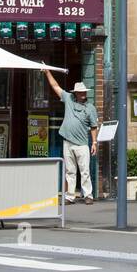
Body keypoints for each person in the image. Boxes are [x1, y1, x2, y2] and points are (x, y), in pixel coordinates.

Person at [42, 70, 98, 204]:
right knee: (70, 171)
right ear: (76, 93)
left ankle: (88, 195)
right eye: (81, 92)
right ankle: (70, 196)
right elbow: (55, 86)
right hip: (68, 142)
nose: (83, 94)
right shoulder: (68, 99)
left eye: (84, 92)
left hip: (82, 143)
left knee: (84, 171)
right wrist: (47, 72)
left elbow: (94, 126)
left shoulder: (90, 108)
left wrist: (94, 142)